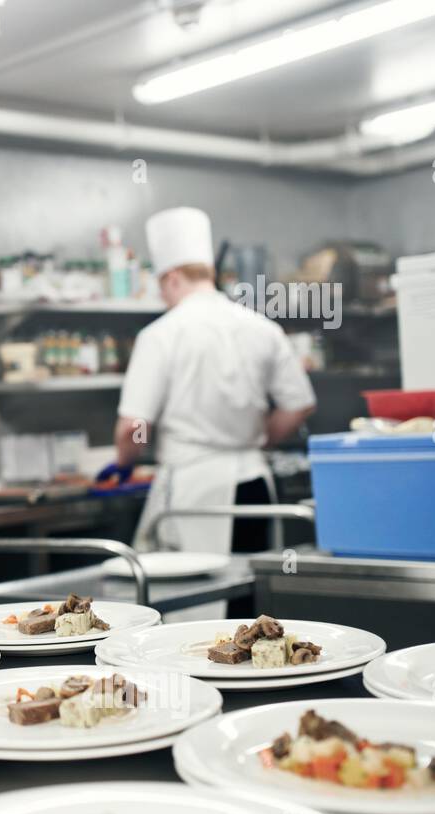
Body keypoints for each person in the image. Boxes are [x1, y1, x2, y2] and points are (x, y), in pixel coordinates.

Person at [98, 207, 316, 564]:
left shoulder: (161, 334)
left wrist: (125, 461)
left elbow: (134, 426)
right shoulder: (262, 327)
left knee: (198, 601)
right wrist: (257, 441)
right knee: (252, 597)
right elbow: (299, 405)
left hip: (194, 491)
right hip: (255, 484)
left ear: (171, 279)